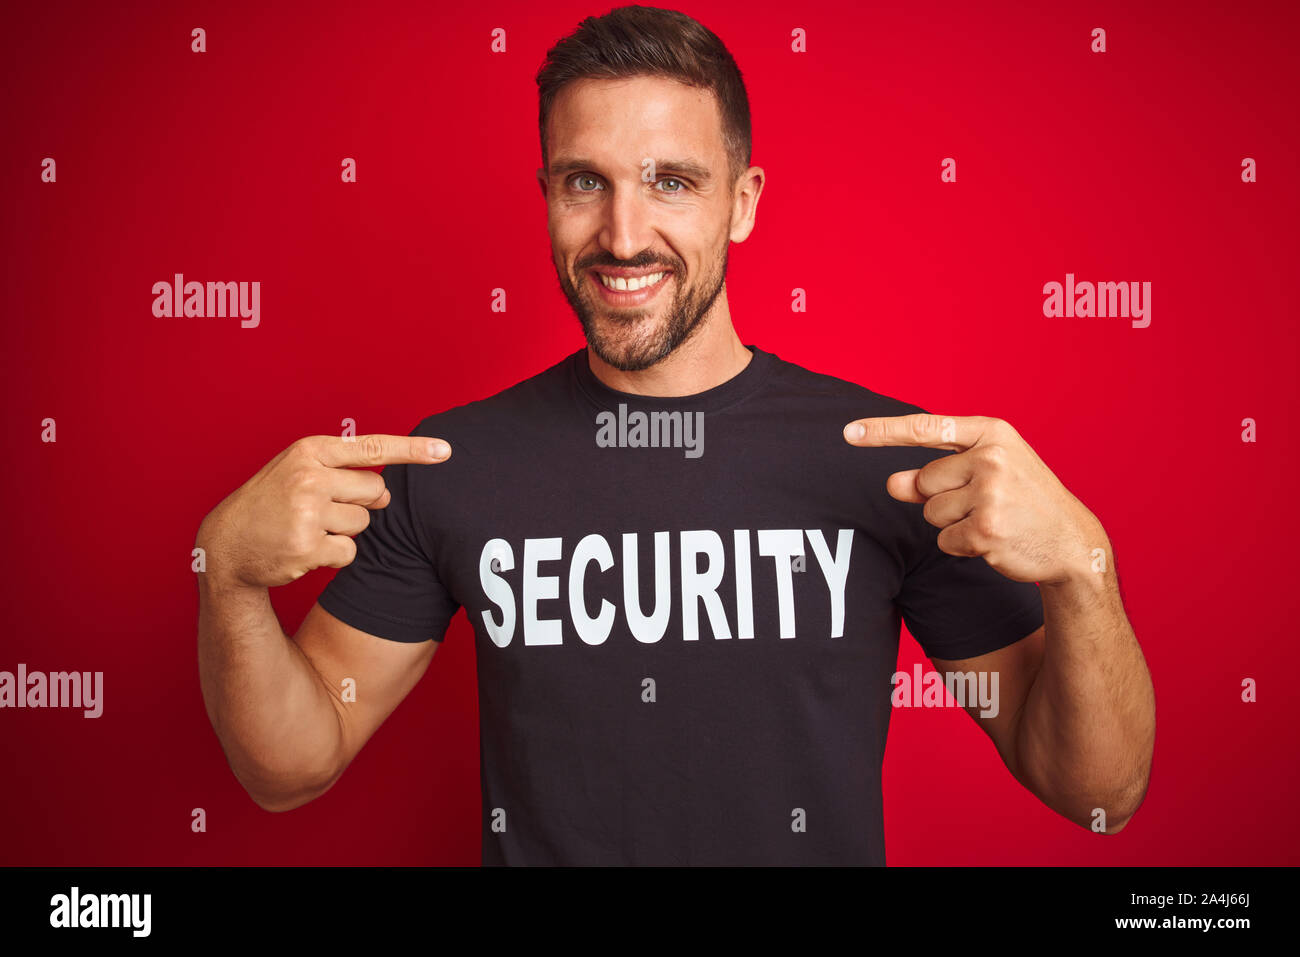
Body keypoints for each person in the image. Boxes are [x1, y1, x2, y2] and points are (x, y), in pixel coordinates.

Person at [196, 5, 1155, 865]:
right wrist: (228, 579)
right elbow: (294, 764)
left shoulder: (886, 461)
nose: (623, 234)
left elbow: (1096, 794)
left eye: (671, 182)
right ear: (545, 195)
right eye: (586, 182)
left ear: (742, 201)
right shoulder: (452, 467)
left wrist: (1086, 568)